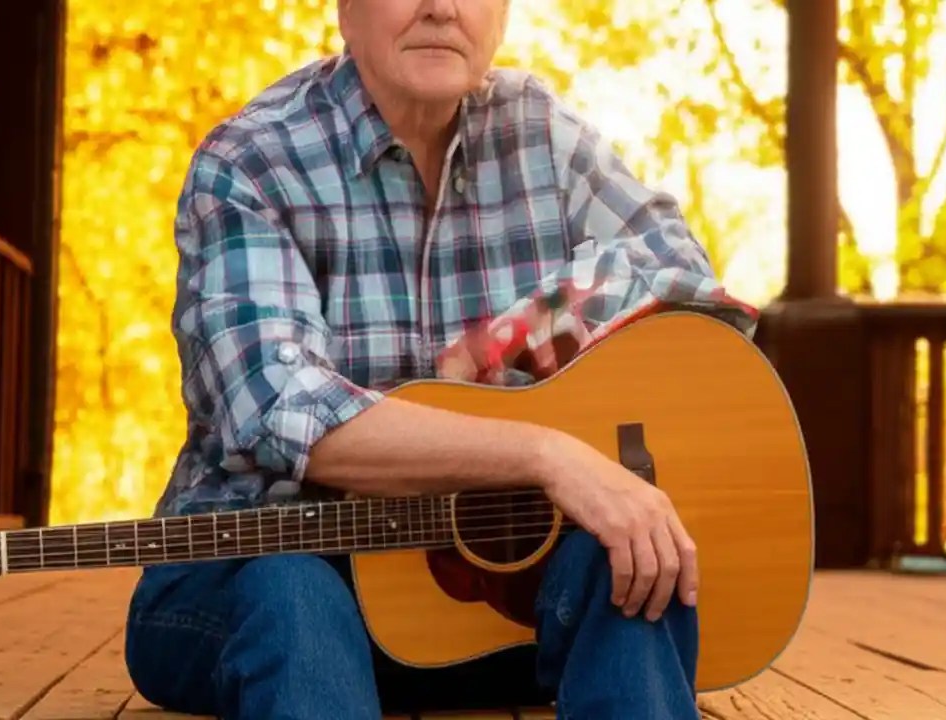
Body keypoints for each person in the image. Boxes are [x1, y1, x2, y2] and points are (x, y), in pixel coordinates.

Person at [123, 0, 758, 717]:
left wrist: (506, 343)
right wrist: (546, 454)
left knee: (631, 555)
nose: (441, 8)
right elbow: (280, 409)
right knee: (293, 591)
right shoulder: (252, 162)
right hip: (256, 572)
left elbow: (694, 297)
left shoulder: (542, 133)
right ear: (345, 12)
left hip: (489, 605)